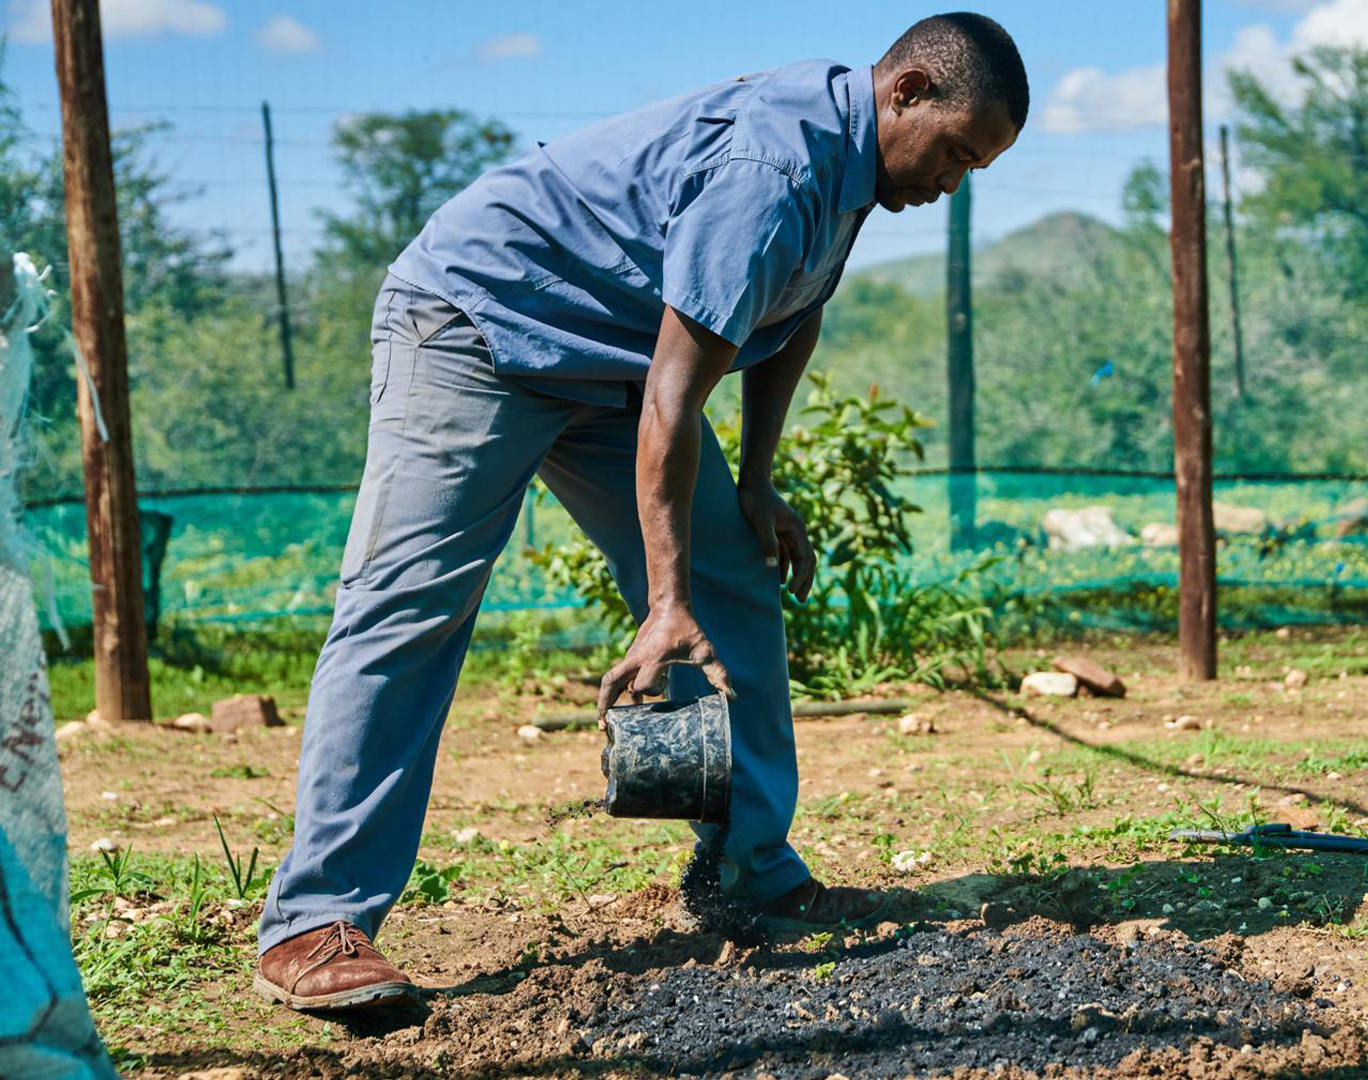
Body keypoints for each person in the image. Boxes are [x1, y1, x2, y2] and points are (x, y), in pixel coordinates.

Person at [253, 13, 1026, 1012]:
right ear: (908, 91)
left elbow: (790, 310)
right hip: (479, 324)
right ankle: (314, 922)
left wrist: (754, 483)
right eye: (956, 152)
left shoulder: (852, 164)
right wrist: (664, 605)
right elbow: (673, 393)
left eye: (976, 168)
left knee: (733, 577)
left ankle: (748, 868)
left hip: (612, 362)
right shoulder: (778, 163)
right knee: (409, 606)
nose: (950, 181)